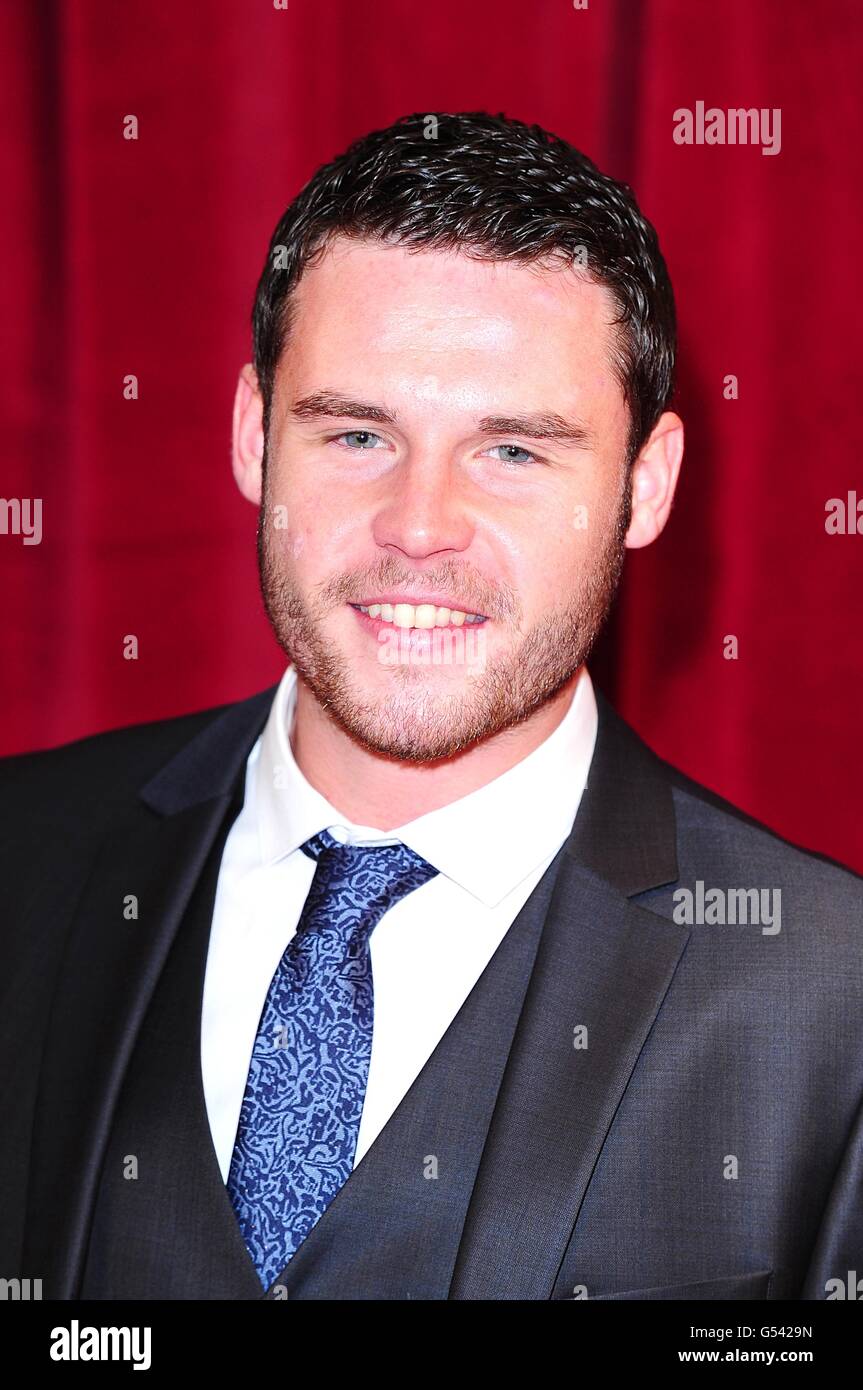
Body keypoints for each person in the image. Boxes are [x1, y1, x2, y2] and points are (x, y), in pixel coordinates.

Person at [1, 112, 860, 1302]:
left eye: (512, 453)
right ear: (255, 437)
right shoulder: (24, 857)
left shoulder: (827, 994)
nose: (417, 525)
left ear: (643, 485)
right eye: (356, 433)